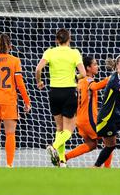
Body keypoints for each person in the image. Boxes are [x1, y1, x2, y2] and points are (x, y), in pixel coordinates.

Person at [35, 28, 86, 167]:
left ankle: (62, 161)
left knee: (59, 128)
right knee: (70, 128)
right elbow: (84, 73)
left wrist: (39, 82)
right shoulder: (74, 53)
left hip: (54, 92)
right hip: (69, 91)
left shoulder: (50, 52)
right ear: (69, 39)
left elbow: (38, 69)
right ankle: (54, 146)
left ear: (57, 40)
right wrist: (75, 76)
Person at [0, 33, 31, 167]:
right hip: (8, 100)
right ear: (10, 46)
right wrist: (27, 101)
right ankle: (9, 165)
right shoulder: (15, 61)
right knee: (10, 134)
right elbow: (20, 84)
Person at [64, 56, 113, 167]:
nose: (97, 66)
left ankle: (64, 158)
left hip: (80, 120)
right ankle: (107, 168)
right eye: (95, 64)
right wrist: (108, 79)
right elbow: (94, 86)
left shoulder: (80, 80)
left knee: (91, 144)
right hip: (89, 119)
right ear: (88, 67)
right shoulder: (88, 80)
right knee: (110, 142)